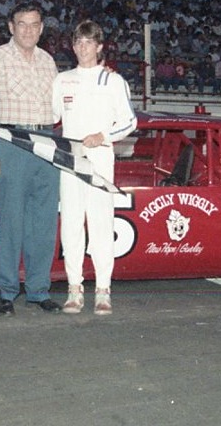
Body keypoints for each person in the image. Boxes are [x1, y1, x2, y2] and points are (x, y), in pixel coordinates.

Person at [0, 3, 61, 316]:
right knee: (11, 219)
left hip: (46, 141)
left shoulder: (48, 61)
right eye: (22, 24)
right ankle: (6, 291)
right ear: (11, 26)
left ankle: (38, 290)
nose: (28, 30)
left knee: (44, 221)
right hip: (10, 142)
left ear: (41, 28)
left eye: (34, 24)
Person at [52, 21, 137, 316]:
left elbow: (130, 122)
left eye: (88, 43)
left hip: (100, 159)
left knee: (101, 224)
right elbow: (50, 116)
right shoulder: (62, 80)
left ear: (100, 47)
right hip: (70, 160)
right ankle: (74, 289)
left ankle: (103, 289)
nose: (82, 48)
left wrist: (104, 136)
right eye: (77, 42)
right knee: (72, 224)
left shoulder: (113, 81)